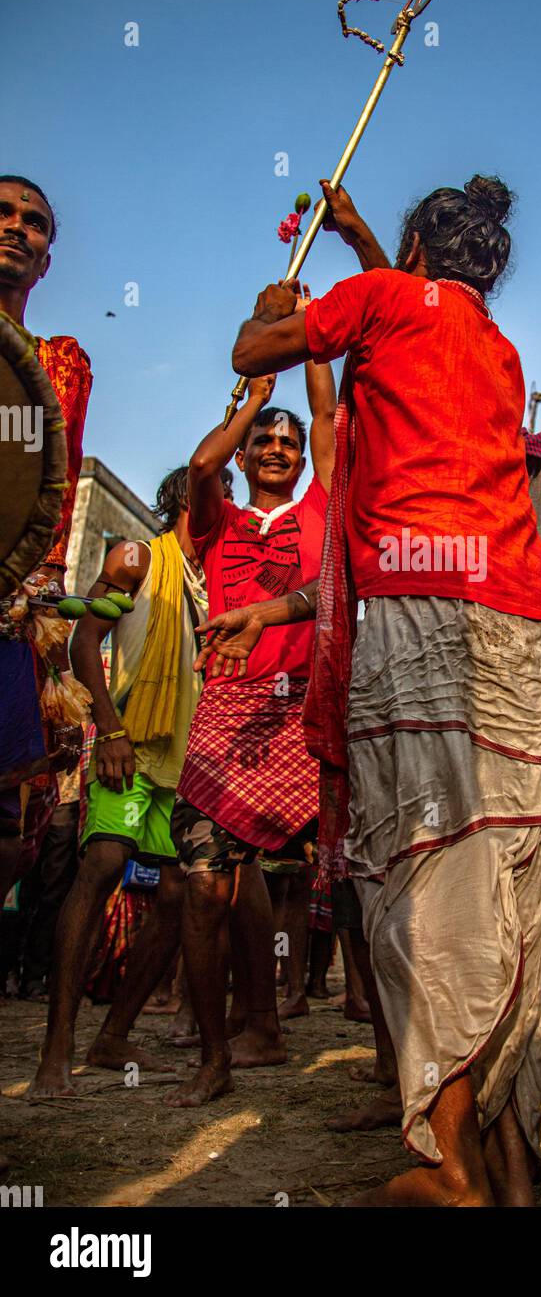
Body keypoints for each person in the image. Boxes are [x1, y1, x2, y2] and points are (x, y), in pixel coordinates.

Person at [232, 174, 541, 1207]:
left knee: (424, 888)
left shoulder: (380, 300)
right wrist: (358, 241)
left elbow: (254, 358)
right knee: (511, 878)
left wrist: (270, 310)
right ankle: (507, 1164)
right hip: (521, 617)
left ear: (414, 246)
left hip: (420, 612)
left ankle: (446, 1163)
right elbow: (402, 307)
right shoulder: (500, 351)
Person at [167, 318, 335, 1108]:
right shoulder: (219, 522)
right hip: (227, 714)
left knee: (354, 882)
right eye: (263, 441)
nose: (275, 448)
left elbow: (330, 421)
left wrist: (304, 348)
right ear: (246, 456)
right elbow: (202, 462)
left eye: (286, 443)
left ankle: (390, 1057)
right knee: (204, 883)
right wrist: (253, 398)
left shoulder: (317, 515)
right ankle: (214, 1056)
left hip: (302, 715)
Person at [27, 466, 227, 1097]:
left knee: (177, 897)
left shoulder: (218, 579)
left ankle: (113, 1036)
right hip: (130, 746)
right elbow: (86, 642)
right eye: (217, 492)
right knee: (104, 863)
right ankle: (54, 1053)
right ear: (186, 500)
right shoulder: (136, 557)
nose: (226, 502)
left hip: (188, 757)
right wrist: (109, 730)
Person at [0, 176, 92, 909]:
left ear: (46, 258)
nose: (15, 228)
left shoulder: (59, 364)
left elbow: (50, 502)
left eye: (32, 221)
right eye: (2, 213)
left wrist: (41, 602)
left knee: (13, 822)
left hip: (13, 606)